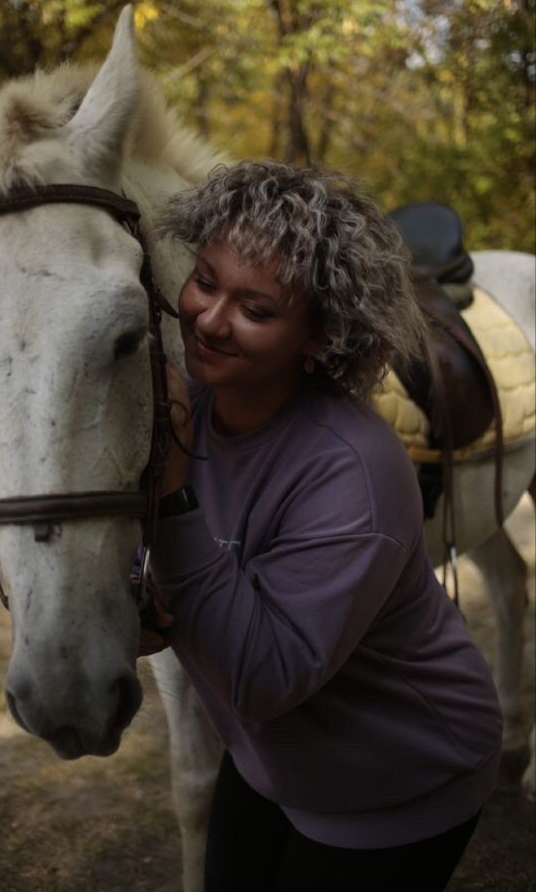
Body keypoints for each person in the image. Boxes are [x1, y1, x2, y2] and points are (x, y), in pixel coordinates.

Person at [141, 161, 502, 892]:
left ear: (319, 336)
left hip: (400, 776)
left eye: (257, 309)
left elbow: (263, 678)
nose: (209, 320)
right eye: (204, 281)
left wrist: (174, 497)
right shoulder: (191, 406)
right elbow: (177, 591)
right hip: (269, 762)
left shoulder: (351, 471)